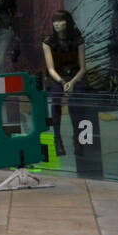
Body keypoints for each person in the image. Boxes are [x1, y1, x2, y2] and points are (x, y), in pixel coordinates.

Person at [42, 9, 86, 158]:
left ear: (68, 22)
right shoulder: (48, 42)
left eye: (61, 21)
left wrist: (72, 82)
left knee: (76, 103)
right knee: (56, 101)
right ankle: (57, 139)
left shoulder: (77, 39)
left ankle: (78, 140)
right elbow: (50, 68)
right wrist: (62, 81)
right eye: (55, 21)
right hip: (57, 77)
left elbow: (82, 68)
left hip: (75, 76)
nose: (57, 24)